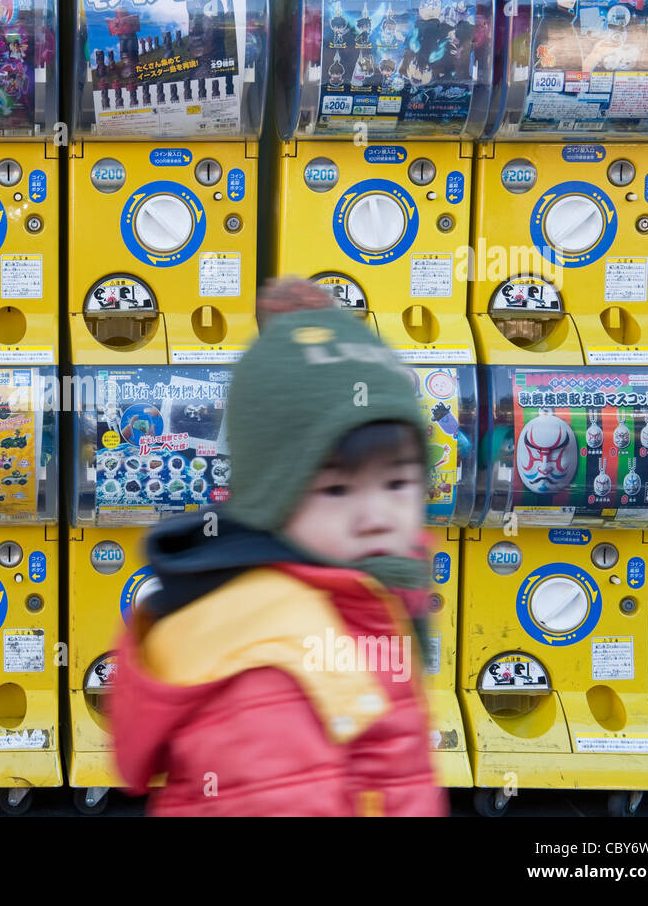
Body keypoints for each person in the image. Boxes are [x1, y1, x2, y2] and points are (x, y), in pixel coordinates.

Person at [110, 277, 446, 817]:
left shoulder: (363, 599)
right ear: (271, 495)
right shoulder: (271, 672)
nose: (376, 517)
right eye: (336, 488)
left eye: (398, 482)